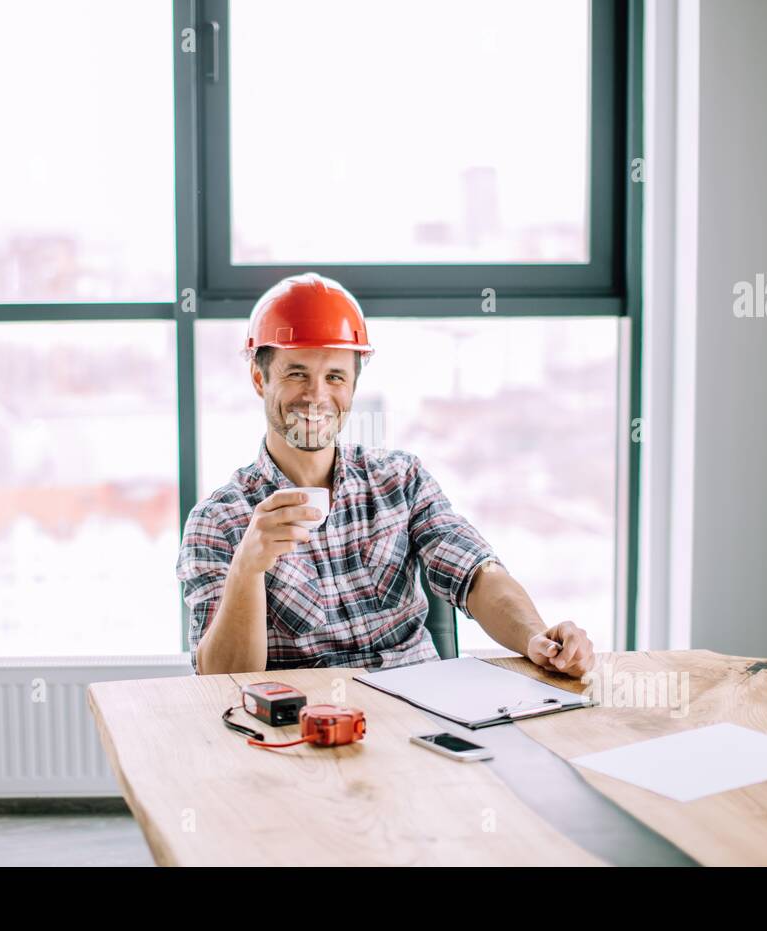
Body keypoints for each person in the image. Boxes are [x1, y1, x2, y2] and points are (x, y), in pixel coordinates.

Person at [176, 272, 594, 678]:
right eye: (296, 373)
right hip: (305, 729)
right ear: (258, 378)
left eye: (335, 376)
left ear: (353, 387)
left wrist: (536, 637)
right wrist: (247, 569)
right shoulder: (218, 521)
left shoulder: (400, 479)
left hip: (423, 714)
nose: (316, 395)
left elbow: (477, 575)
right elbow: (222, 680)